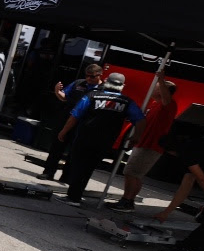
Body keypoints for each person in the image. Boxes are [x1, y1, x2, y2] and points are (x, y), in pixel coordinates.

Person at [56, 72, 144, 205]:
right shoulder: (127, 102)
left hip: (85, 138)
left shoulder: (92, 96)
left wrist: (64, 131)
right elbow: (140, 120)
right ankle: (75, 195)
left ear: (106, 81)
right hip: (106, 142)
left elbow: (75, 115)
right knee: (88, 168)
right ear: (123, 86)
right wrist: (136, 137)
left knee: (78, 165)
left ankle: (73, 197)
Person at [108, 80, 178, 213]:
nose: (152, 90)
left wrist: (161, 79)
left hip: (151, 146)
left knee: (130, 172)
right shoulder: (154, 104)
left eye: (156, 88)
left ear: (163, 91)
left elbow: (166, 97)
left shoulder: (169, 104)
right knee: (136, 174)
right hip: (144, 143)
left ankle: (126, 201)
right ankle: (129, 201)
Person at [39, 62, 104, 179]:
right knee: (57, 147)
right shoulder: (79, 83)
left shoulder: (103, 90)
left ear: (100, 75)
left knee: (75, 152)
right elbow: (64, 97)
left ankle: (66, 176)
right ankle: (48, 172)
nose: (88, 78)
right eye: (87, 75)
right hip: (67, 119)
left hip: (84, 124)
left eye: (92, 76)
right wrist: (57, 92)